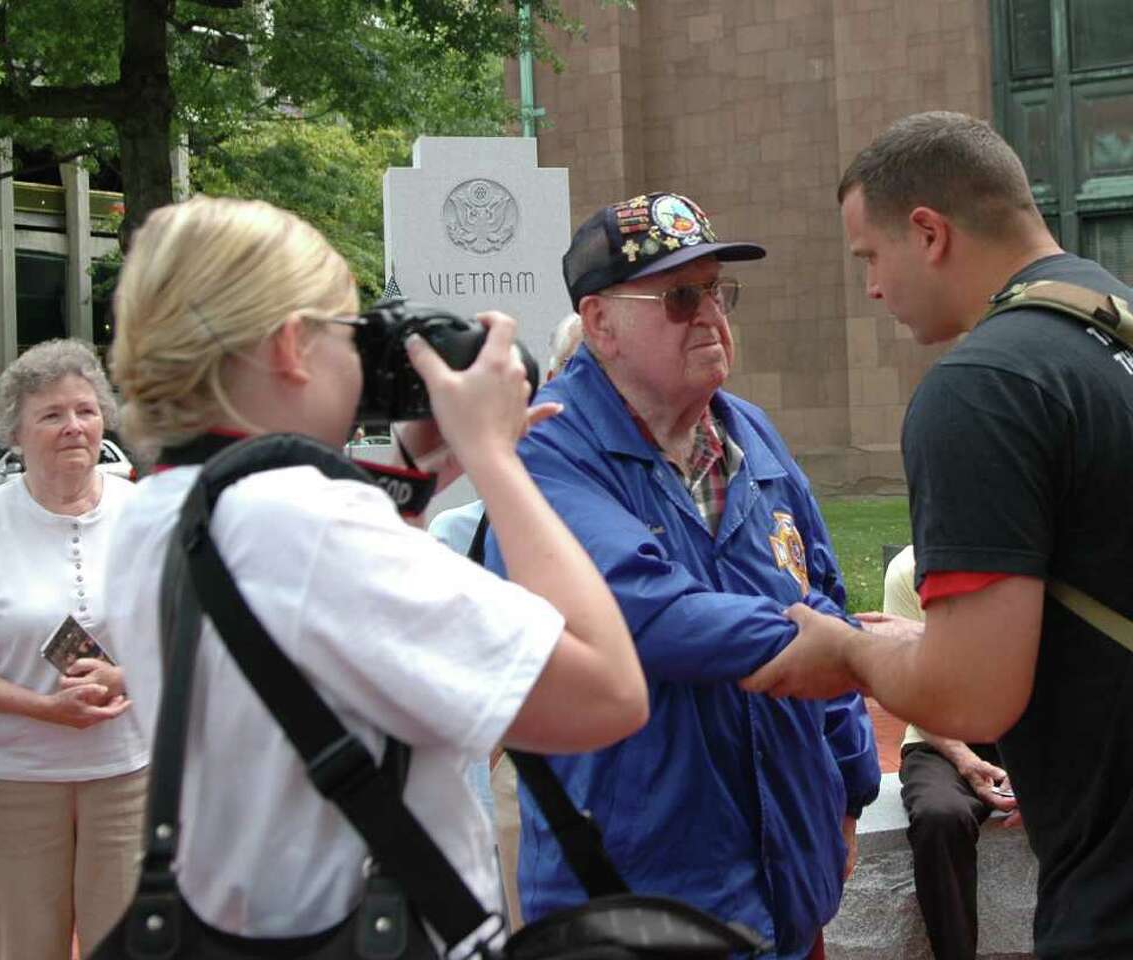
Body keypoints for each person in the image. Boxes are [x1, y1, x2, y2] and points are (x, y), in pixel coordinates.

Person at [105, 195, 648, 944]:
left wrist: (417, 480)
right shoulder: (301, 521)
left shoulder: (153, 510)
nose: (363, 360)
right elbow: (607, 694)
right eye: (350, 331)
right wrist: (498, 463)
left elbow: (333, 650)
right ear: (292, 346)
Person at [742, 111, 1133, 958]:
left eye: (869, 258)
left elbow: (971, 696)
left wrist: (850, 653)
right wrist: (935, 639)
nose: (873, 288)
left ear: (928, 232)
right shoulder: (1113, 325)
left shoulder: (983, 386)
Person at [485, 191, 881, 959]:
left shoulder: (750, 430)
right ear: (599, 323)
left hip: (786, 891)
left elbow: (821, 591)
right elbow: (643, 609)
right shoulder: (546, 448)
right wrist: (855, 651)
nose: (709, 314)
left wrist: (851, 785)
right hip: (637, 901)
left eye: (715, 292)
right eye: (677, 297)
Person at [0, 339, 146, 960]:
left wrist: (125, 675)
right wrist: (43, 707)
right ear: (16, 433)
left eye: (85, 410)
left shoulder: (142, 513)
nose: (73, 426)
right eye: (51, 415)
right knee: (26, 948)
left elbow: (182, 630)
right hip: (12, 778)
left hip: (127, 773)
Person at [884, 546, 1021, 960]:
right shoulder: (909, 568)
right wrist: (963, 756)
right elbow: (911, 687)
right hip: (938, 733)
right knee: (939, 816)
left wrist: (1042, 773)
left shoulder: (1040, 564)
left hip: (1028, 732)